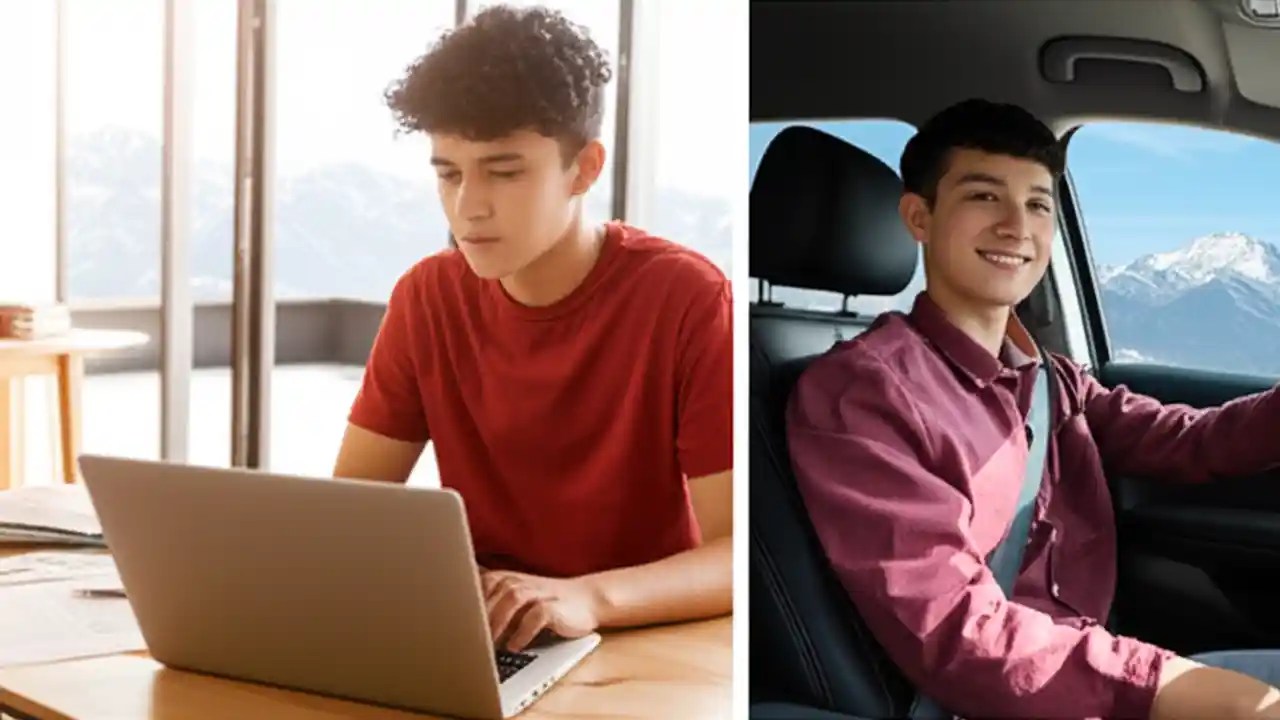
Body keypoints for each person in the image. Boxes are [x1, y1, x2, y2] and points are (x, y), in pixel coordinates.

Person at [786, 98, 1280, 720]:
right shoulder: (863, 395)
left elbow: (1190, 443)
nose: (1017, 226)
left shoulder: (1051, 378)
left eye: (1039, 204)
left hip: (1091, 672)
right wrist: (1159, 685)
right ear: (919, 216)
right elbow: (956, 628)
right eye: (984, 197)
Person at [334, 5, 732, 654]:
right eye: (449, 173)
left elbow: (737, 555)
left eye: (505, 170)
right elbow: (347, 516)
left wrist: (585, 597)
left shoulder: (687, 299)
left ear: (585, 169)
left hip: (641, 639)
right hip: (484, 632)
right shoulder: (425, 297)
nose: (469, 206)